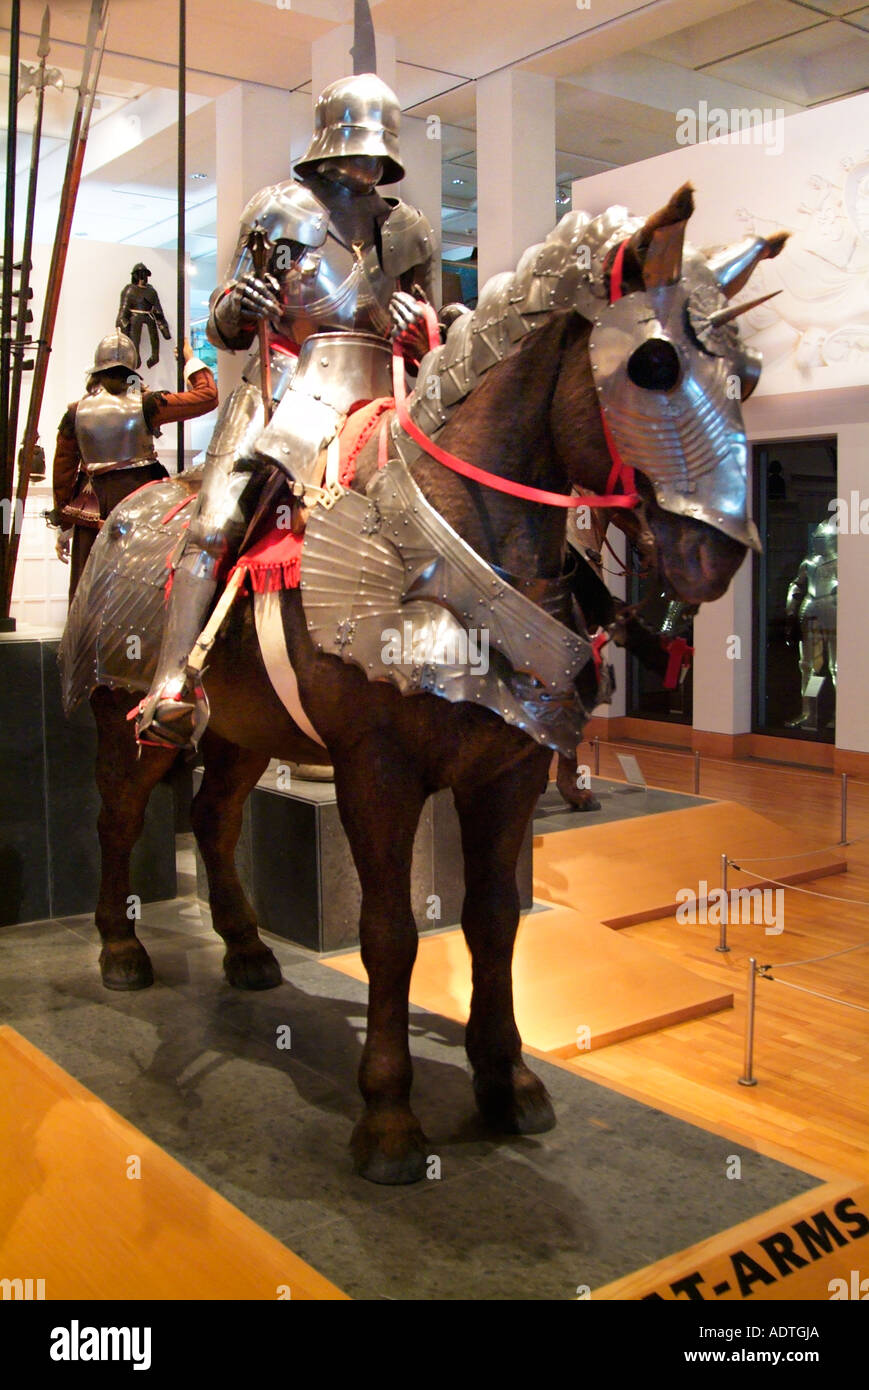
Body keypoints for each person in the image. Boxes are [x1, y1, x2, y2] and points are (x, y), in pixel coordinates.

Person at [136, 72, 436, 749]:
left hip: (384, 392)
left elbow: (435, 324)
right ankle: (172, 686)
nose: (368, 161)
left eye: (377, 151)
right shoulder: (281, 210)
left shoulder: (405, 229)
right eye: (358, 146)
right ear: (330, 143)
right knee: (215, 521)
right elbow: (224, 326)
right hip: (289, 388)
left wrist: (415, 320)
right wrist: (241, 304)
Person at [48, 332, 217, 599]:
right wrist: (191, 360)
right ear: (132, 371)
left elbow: (63, 471)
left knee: (90, 590)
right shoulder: (147, 403)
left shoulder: (75, 411)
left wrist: (65, 523)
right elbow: (207, 396)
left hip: (91, 505)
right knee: (139, 584)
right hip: (140, 497)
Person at [116, 263, 172, 369]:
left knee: (155, 350)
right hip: (135, 318)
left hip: (149, 317)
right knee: (134, 348)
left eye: (144, 274)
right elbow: (123, 312)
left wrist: (165, 331)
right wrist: (123, 332)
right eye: (141, 274)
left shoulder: (151, 291)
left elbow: (158, 312)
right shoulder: (130, 290)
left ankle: (154, 358)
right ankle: (136, 360)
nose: (143, 277)